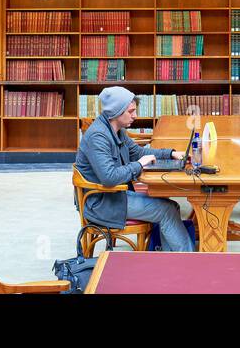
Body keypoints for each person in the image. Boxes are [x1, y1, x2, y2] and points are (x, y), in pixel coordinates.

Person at [74, 86, 193, 252]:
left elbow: (139, 152)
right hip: (103, 203)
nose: (135, 116)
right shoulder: (98, 136)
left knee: (171, 207)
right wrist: (139, 165)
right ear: (116, 112)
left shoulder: (117, 130)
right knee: (168, 210)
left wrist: (171, 153)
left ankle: (171, 259)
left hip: (115, 196)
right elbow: (109, 177)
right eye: (131, 111)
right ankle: (188, 261)